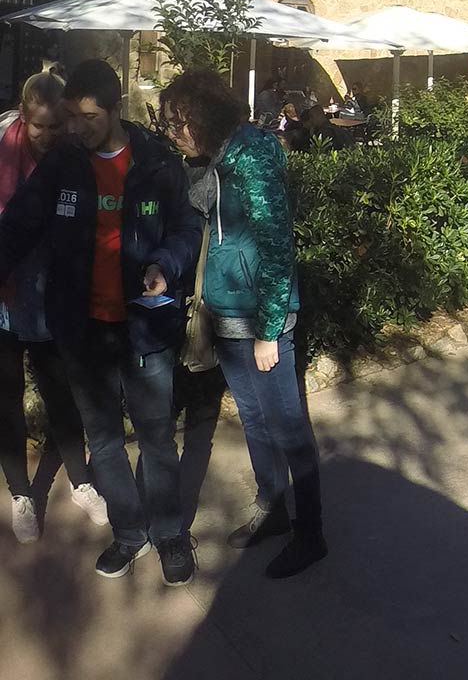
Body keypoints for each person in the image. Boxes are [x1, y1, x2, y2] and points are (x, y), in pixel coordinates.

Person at [0, 58, 201, 584]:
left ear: (115, 110)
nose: (75, 128)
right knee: (105, 442)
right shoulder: (65, 162)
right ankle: (130, 532)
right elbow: (17, 225)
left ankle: (170, 533)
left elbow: (186, 225)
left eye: (88, 117)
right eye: (70, 116)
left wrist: (167, 263)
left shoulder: (156, 162)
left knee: (156, 438)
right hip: (82, 331)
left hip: (144, 331)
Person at [158, 70, 327, 579]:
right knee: (254, 419)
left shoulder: (250, 157)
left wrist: (270, 330)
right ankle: (273, 508)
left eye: (177, 122)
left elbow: (277, 246)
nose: (172, 132)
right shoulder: (219, 159)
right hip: (228, 316)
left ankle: (311, 533)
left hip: (260, 321)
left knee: (288, 427)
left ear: (203, 116)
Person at [0, 73, 106, 541]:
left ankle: (80, 480)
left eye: (54, 126)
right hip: (3, 294)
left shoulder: (70, 158)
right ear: (24, 117)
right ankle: (20, 492)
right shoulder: (3, 150)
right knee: (4, 398)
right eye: (37, 126)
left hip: (49, 295)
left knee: (58, 391)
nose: (46, 136)